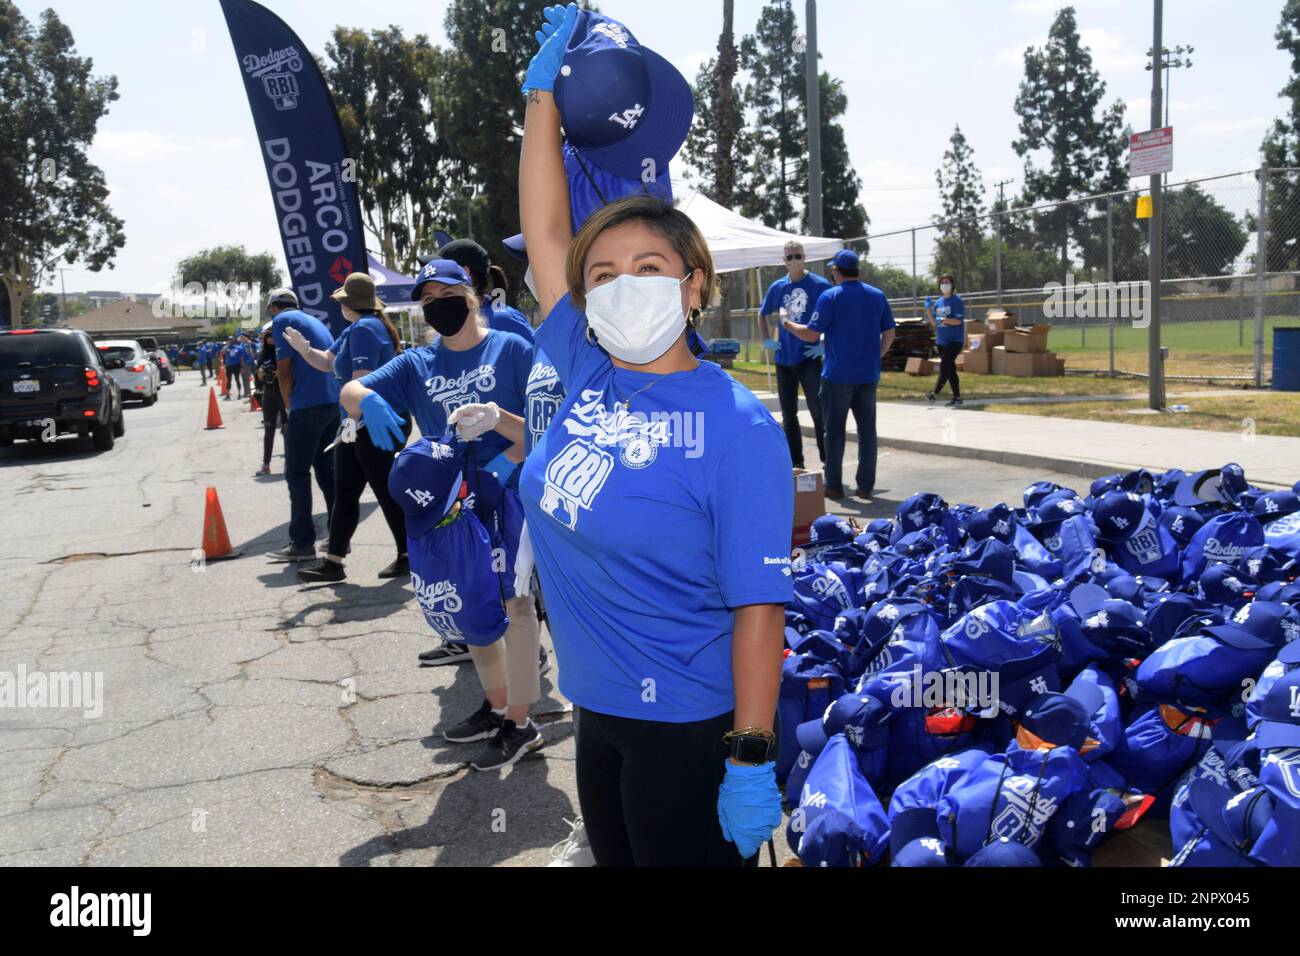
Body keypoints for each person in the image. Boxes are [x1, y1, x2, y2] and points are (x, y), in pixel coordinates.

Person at [516, 6, 794, 867]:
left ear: (695, 285)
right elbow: (546, 236)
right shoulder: (589, 368)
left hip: (686, 727)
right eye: (603, 275)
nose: (621, 286)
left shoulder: (739, 427)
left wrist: (749, 756)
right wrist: (541, 103)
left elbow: (760, 608)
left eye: (648, 269)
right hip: (598, 714)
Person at [338, 258, 545, 771]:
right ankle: (498, 707)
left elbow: (548, 426)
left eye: (445, 293)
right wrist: (367, 404)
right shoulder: (417, 364)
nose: (437, 306)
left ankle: (522, 721)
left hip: (509, 493)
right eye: (427, 300)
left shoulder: (512, 349)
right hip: (453, 504)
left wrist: (502, 442)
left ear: (470, 294)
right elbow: (350, 389)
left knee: (516, 606)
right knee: (469, 608)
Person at [281, 273, 411, 583]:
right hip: (360, 422)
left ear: (347, 304)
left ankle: (408, 556)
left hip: (372, 423)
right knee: (347, 491)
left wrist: (350, 424)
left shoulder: (365, 328)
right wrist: (304, 349)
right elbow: (327, 362)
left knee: (383, 491)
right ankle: (334, 561)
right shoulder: (357, 328)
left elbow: (361, 382)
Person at [783, 248, 895, 500]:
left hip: (837, 376)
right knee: (868, 432)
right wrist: (876, 356)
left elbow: (811, 334)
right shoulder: (877, 296)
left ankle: (834, 485)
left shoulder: (830, 297)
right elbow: (889, 333)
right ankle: (865, 487)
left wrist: (788, 324)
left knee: (834, 432)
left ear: (836, 272)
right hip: (868, 375)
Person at [264, 288, 340, 562]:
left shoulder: (282, 322)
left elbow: (284, 372)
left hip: (307, 406)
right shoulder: (314, 321)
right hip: (331, 404)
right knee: (327, 473)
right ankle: (337, 536)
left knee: (297, 473)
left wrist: (287, 408)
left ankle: (302, 542)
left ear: (273, 308)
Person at [760, 239, 830, 470]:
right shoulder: (778, 287)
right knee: (789, 415)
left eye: (797, 256)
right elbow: (762, 314)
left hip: (809, 358)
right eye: (789, 257)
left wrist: (824, 345)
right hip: (784, 360)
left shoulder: (820, 286)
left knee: (818, 411)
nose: (794, 261)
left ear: (804, 257)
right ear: (783, 260)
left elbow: (835, 317)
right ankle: (796, 462)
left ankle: (827, 459)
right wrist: (767, 340)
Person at [437, 238, 536, 343]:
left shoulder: (504, 319)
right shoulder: (447, 323)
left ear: (465, 273)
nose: (433, 280)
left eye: (440, 272)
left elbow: (539, 356)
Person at [926, 273, 966, 407]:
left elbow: (957, 321)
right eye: (942, 282)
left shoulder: (957, 301)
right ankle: (957, 397)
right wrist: (928, 310)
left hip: (955, 340)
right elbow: (933, 323)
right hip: (941, 341)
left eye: (947, 282)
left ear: (952, 285)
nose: (944, 285)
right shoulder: (938, 302)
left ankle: (934, 393)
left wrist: (943, 319)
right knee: (950, 369)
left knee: (944, 366)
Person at [253, 325, 287, 476]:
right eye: (268, 337)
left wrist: (281, 373)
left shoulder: (284, 352)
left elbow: (293, 371)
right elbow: (258, 374)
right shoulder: (263, 354)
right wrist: (260, 373)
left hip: (283, 392)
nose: (270, 339)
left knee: (287, 429)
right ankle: (266, 464)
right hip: (268, 393)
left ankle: (289, 461)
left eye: (273, 336)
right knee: (269, 429)